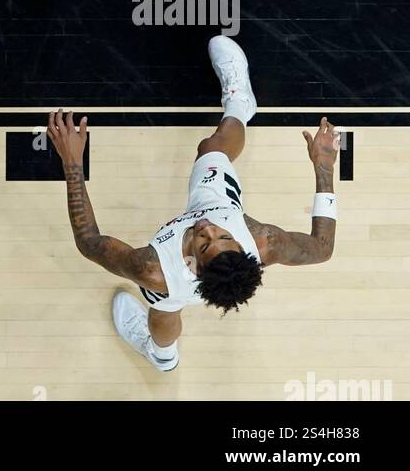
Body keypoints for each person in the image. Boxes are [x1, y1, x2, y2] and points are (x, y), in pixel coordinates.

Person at [47, 37, 339, 371]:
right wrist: (324, 168)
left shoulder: (155, 269)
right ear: (243, 249)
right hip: (219, 202)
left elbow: (90, 242)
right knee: (210, 147)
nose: (208, 229)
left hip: (173, 286)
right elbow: (322, 247)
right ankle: (240, 105)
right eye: (224, 237)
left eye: (203, 244)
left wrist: (72, 162)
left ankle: (161, 356)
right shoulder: (263, 241)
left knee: (163, 310)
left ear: (193, 265)